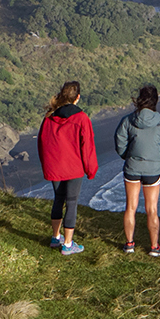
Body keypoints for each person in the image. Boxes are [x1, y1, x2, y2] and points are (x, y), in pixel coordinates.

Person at [114, 84, 160, 256]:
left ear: (139, 99)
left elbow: (119, 142)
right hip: (153, 170)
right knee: (152, 209)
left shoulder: (127, 120)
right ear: (155, 100)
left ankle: (129, 245)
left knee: (130, 207)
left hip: (132, 167)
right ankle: (154, 247)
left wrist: (127, 156)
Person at [37, 81, 97, 255]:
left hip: (54, 165)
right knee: (71, 203)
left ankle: (56, 238)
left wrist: (46, 165)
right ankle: (68, 244)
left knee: (58, 198)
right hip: (73, 167)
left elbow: (42, 142)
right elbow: (88, 147)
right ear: (77, 97)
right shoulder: (81, 118)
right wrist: (91, 170)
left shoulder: (49, 116)